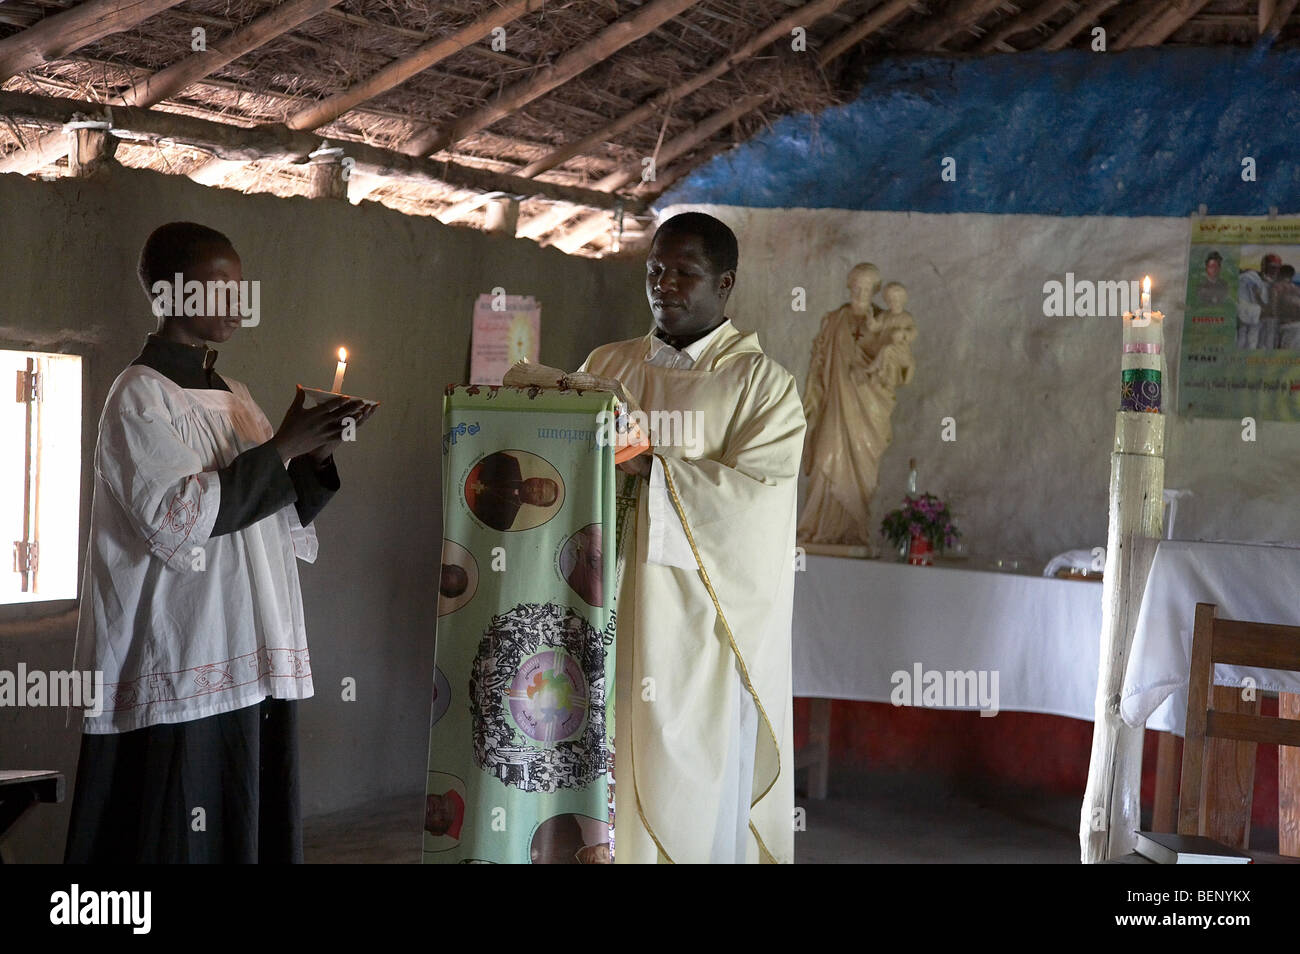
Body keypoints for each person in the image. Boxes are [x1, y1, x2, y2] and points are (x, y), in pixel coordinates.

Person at [65, 222, 374, 863]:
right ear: (171, 295)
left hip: (248, 642)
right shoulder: (139, 397)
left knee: (242, 819)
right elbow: (177, 518)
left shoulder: (238, 400)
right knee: (176, 823)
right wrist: (283, 446)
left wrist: (313, 456)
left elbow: (271, 521)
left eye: (240, 288)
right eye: (217, 289)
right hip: (183, 647)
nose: (236, 304)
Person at [578, 211, 805, 863]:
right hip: (604, 606)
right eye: (655, 270)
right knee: (601, 777)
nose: (665, 285)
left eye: (685, 272)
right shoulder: (605, 365)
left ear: (725, 282)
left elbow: (756, 510)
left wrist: (649, 463)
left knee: (692, 805)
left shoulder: (763, 387)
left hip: (698, 633)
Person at [464, 451, 559, 530]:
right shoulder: (510, 463)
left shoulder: (504, 522)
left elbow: (468, 526)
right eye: (539, 483)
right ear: (538, 477)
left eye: (539, 495)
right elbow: (472, 455)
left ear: (537, 504)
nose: (534, 488)